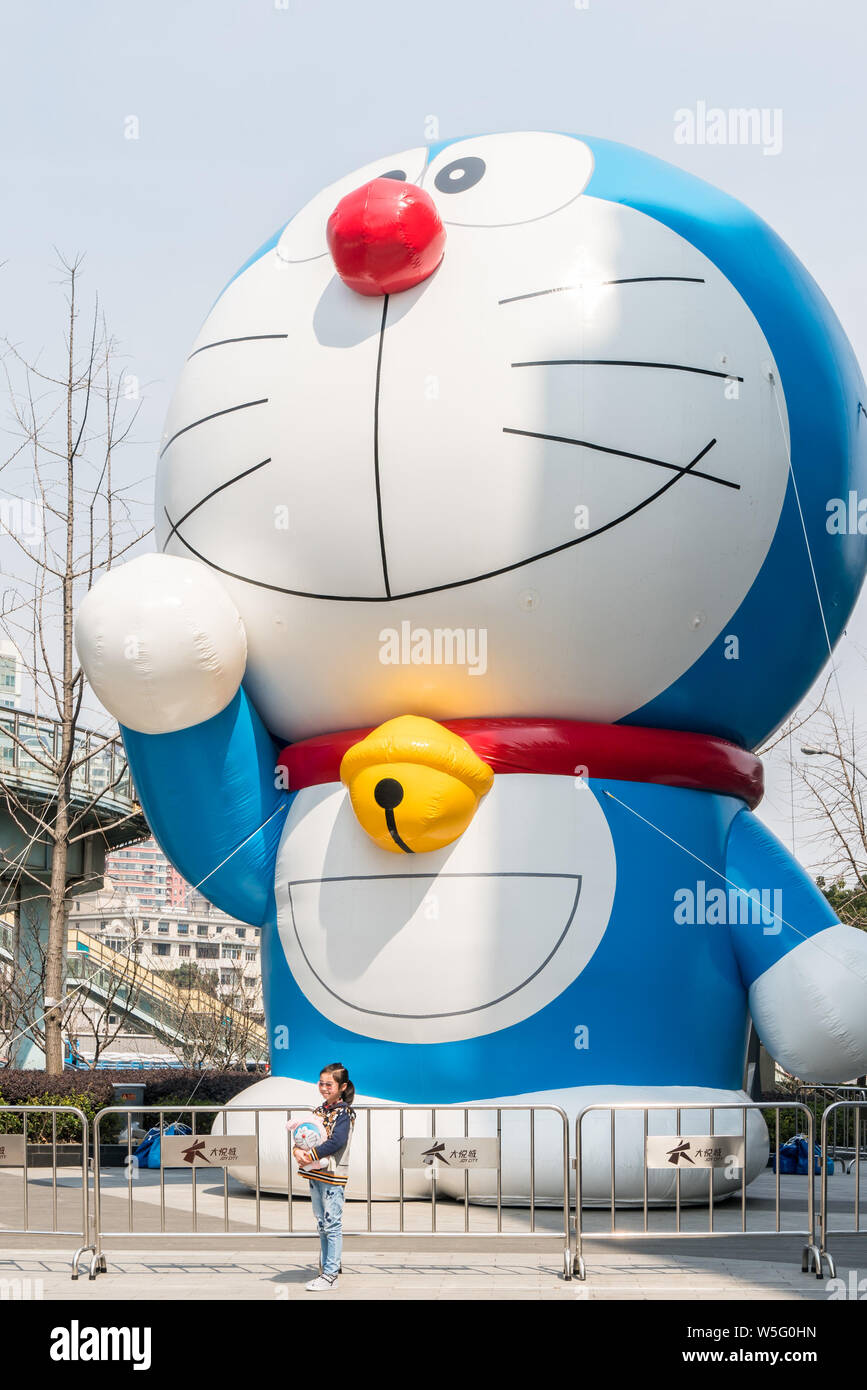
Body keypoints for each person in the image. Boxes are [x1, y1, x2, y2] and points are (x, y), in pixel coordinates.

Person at [293, 1062, 356, 1291]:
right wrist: (297, 1151)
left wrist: (308, 1154)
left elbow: (337, 1141)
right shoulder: (319, 1111)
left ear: (342, 1086)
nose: (324, 1088)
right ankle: (328, 1269)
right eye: (321, 1083)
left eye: (329, 1084)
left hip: (333, 1175)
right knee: (322, 1223)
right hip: (315, 1174)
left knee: (332, 1223)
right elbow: (302, 1135)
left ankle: (330, 1274)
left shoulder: (344, 1113)